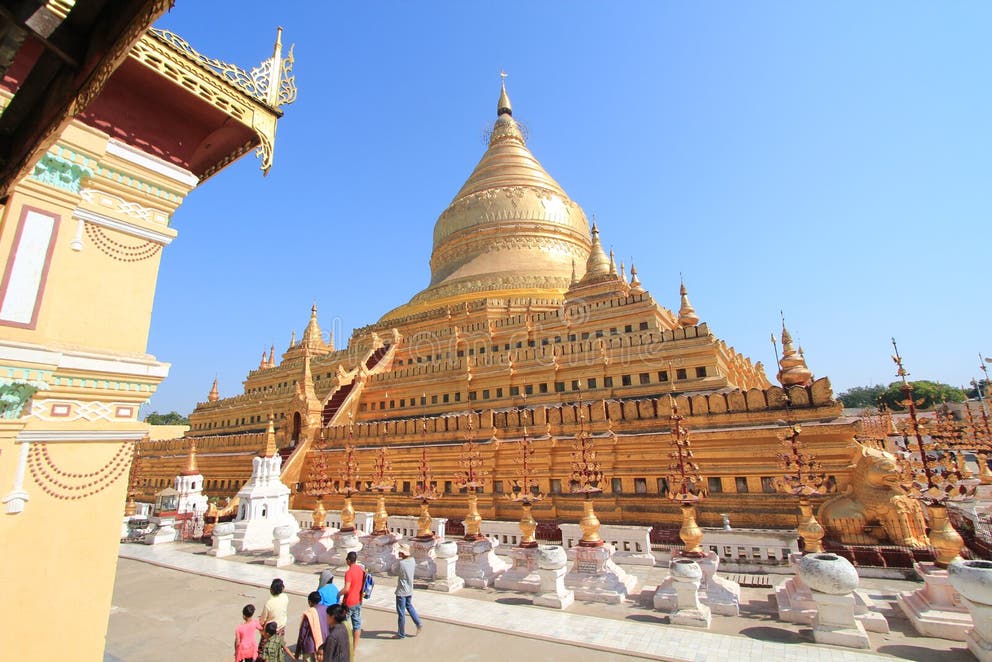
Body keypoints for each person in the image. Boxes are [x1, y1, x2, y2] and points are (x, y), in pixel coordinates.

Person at [394, 543, 424, 639]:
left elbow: (395, 571)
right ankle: (418, 623)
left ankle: (401, 633)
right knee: (409, 606)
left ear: (403, 553)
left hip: (401, 591)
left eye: (400, 552)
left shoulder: (401, 564)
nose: (398, 554)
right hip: (409, 589)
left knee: (401, 613)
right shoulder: (412, 560)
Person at [338, 551, 364, 652]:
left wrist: (338, 594)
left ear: (348, 560)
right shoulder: (360, 569)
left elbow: (347, 588)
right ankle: (354, 648)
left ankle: (344, 646)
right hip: (358, 600)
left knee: (343, 625)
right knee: (357, 625)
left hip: (348, 602)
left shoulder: (349, 573)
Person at [294, 591, 325, 662]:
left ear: (310, 602)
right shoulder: (326, 609)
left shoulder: (309, 613)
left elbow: (302, 634)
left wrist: (297, 652)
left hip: (310, 647)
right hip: (324, 644)